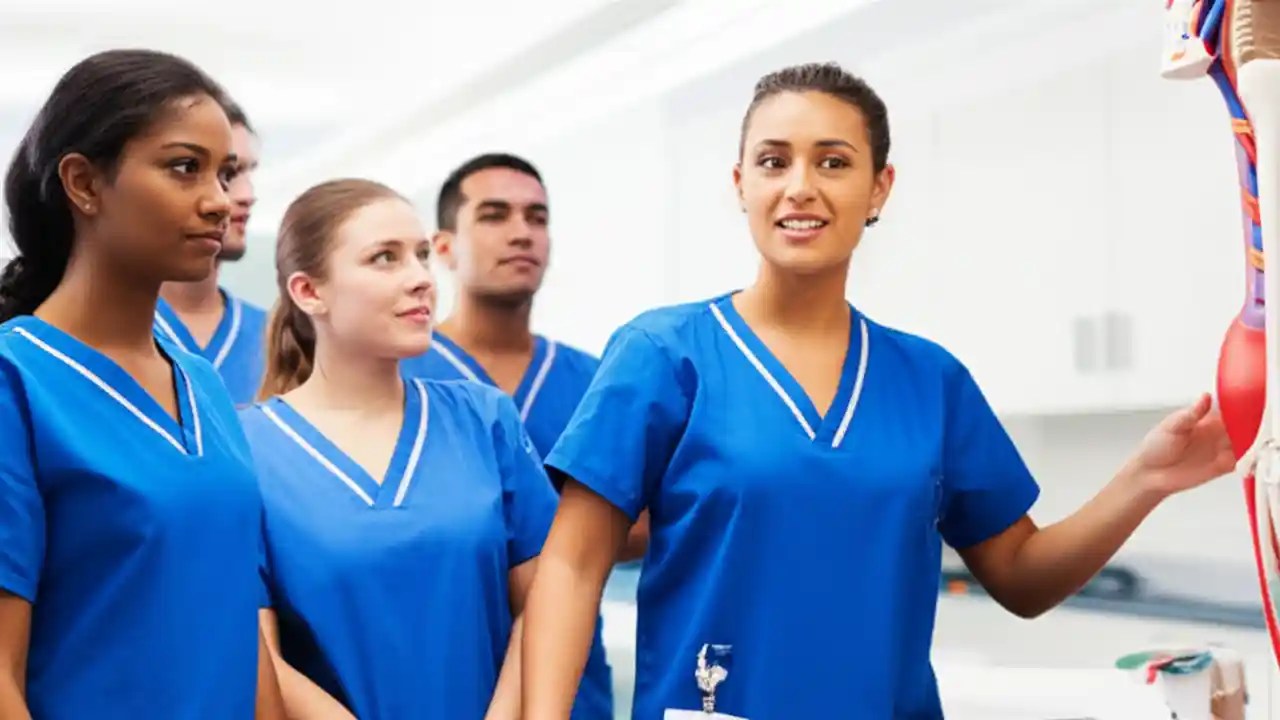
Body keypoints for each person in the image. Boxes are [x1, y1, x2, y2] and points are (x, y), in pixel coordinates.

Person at [520, 61, 1238, 719]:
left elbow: (1021, 576)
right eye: (774, 161)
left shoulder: (930, 381)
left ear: (878, 188)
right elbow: (573, 565)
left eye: (833, 162)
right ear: (741, 184)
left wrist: (1147, 478)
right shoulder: (662, 355)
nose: (800, 185)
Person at [0, 49, 283, 719]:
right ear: (84, 183)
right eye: (184, 168)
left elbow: (239, 626)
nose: (219, 202)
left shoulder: (204, 386)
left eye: (227, 172)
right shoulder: (17, 382)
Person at [242, 178, 560, 720]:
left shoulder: (483, 419)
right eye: (384, 259)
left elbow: (546, 605)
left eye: (419, 256)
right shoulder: (246, 450)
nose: (420, 279)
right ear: (308, 292)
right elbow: (258, 659)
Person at [402, 153, 643, 719]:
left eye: (537, 218)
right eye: (494, 215)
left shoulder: (596, 379)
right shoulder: (398, 373)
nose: (521, 233)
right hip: (442, 672)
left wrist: (543, 539)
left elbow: (645, 523)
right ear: (443, 247)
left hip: (569, 682)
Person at [154, 96, 267, 406]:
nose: (247, 195)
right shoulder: (94, 335)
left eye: (248, 172)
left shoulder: (284, 338)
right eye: (228, 174)